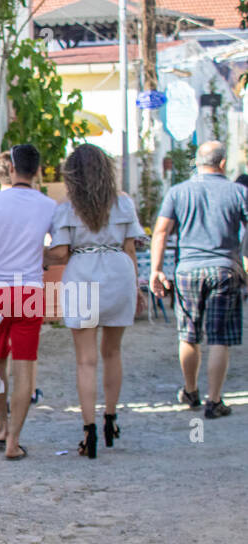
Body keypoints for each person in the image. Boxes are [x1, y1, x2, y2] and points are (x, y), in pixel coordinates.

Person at [46, 144, 143, 458]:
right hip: (119, 274)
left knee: (85, 360)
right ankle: (110, 419)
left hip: (83, 276)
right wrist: (138, 288)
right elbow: (131, 249)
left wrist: (38, 255)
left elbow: (60, 253)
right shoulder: (123, 205)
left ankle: (88, 433)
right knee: (113, 353)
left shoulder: (66, 209)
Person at [0, 143, 58, 459]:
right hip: (29, 291)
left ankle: (2, 424)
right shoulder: (49, 206)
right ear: (38, 171)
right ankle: (13, 441)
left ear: (12, 169)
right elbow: (59, 250)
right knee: (25, 366)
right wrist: (38, 254)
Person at [150, 140, 247, 419]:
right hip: (224, 268)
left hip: (187, 269)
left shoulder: (178, 192)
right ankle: (213, 400)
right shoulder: (237, 192)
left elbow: (161, 231)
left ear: (197, 162)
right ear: (223, 163)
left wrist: (156, 269)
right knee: (220, 337)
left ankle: (190, 390)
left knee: (189, 334)